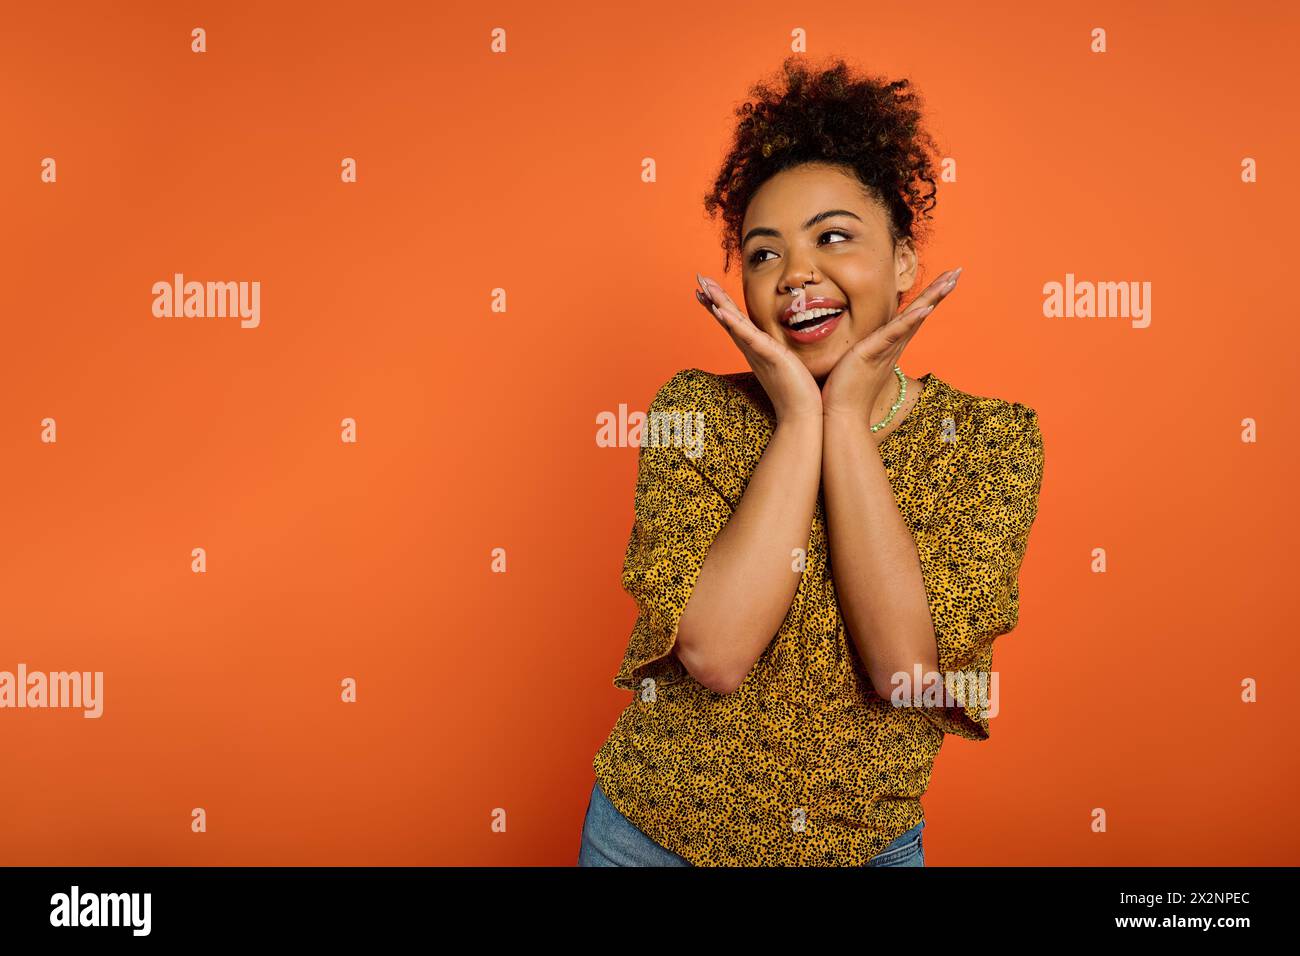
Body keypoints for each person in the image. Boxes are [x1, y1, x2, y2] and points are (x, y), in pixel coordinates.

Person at [580, 55, 1045, 867]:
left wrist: (849, 424)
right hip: (648, 841)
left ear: (904, 262)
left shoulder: (991, 440)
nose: (796, 274)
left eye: (833, 238)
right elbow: (716, 656)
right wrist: (801, 417)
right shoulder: (695, 412)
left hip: (864, 851)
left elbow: (905, 671)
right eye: (763, 255)